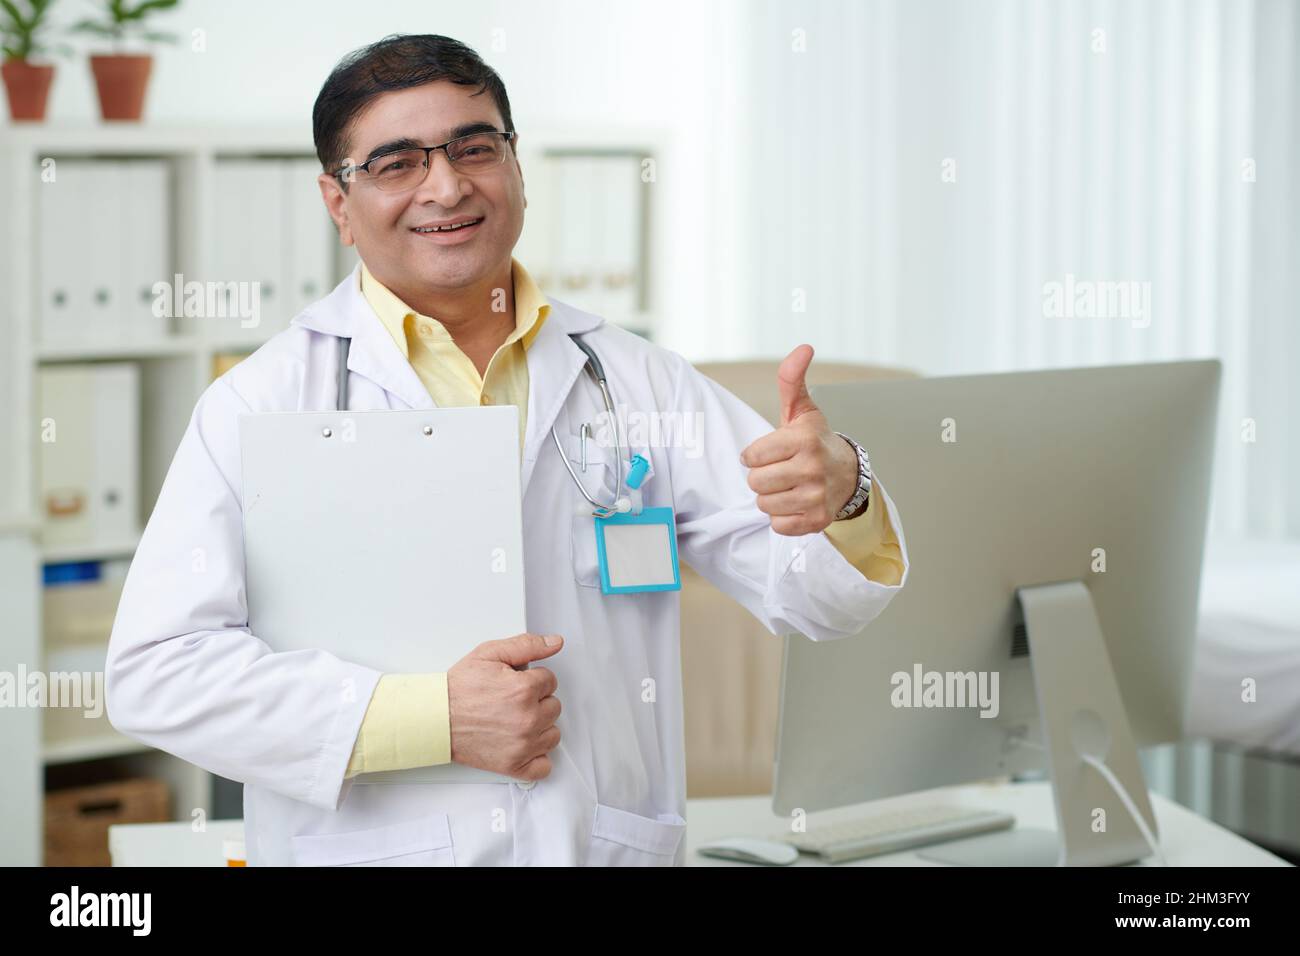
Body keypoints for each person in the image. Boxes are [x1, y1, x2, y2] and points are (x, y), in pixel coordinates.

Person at [106, 33, 910, 866]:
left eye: (474, 148)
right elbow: (160, 676)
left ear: (516, 167)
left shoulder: (640, 382)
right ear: (338, 203)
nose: (447, 185)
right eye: (395, 162)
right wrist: (431, 720)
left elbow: (818, 601)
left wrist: (844, 493)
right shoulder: (260, 402)